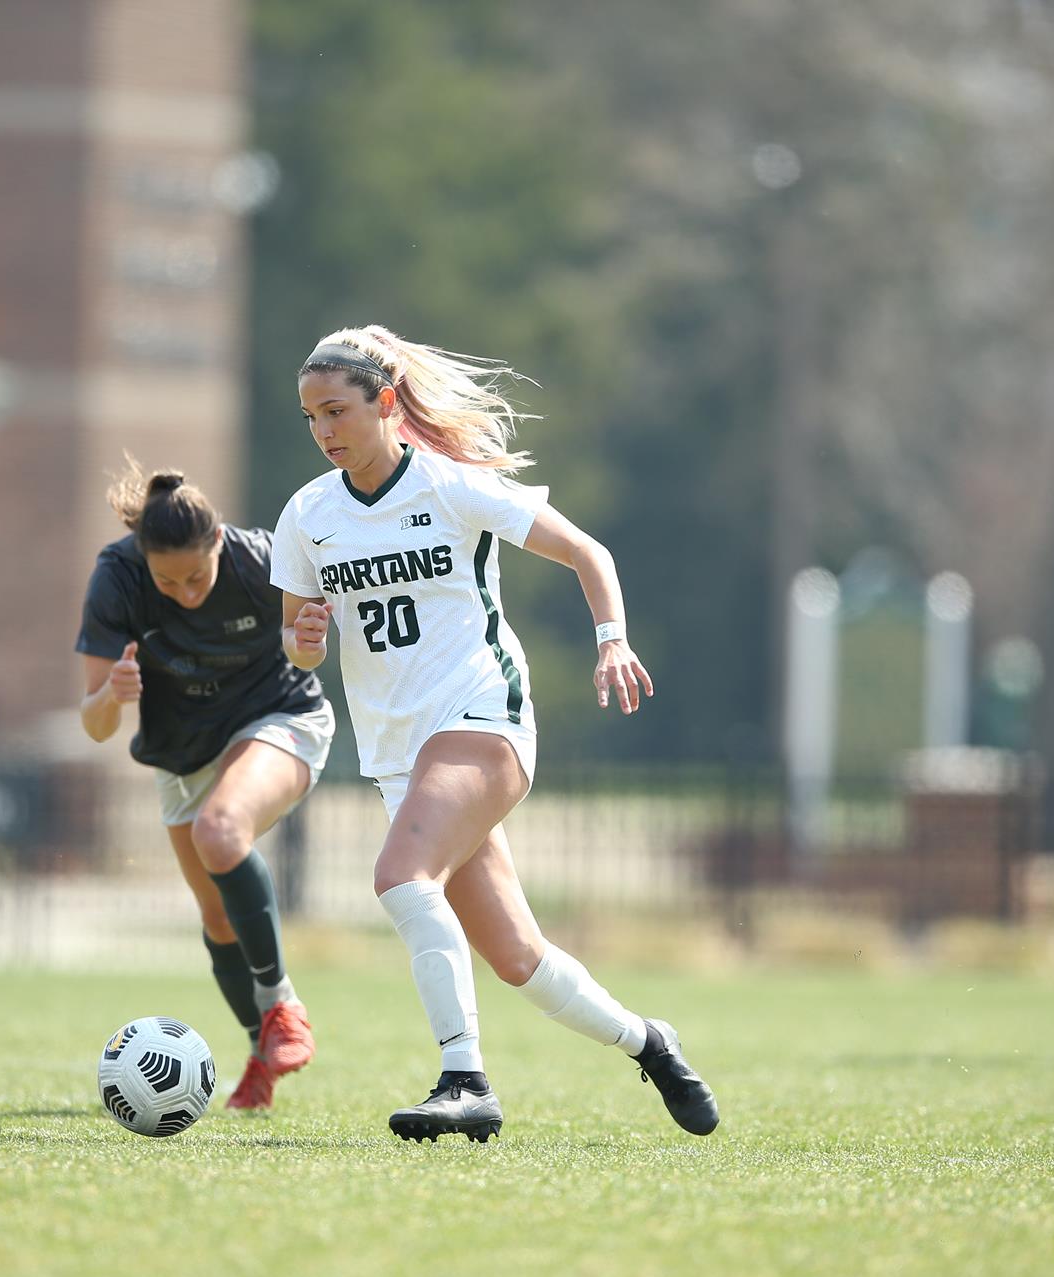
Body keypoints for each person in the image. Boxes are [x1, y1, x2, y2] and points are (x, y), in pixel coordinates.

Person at [271, 325, 719, 1142]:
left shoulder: (449, 486)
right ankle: (651, 1042)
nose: (324, 430)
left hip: (482, 715)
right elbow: (298, 632)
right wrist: (303, 639)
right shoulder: (308, 514)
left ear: (386, 403)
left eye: (337, 409)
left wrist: (610, 638)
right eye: (310, 417)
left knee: (402, 877)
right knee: (519, 959)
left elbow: (588, 551)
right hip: (397, 751)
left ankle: (464, 1078)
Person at [76, 462, 332, 1111]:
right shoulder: (117, 576)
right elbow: (96, 723)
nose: (185, 592)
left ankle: (283, 1006)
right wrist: (113, 693)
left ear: (219, 541)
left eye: (196, 576)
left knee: (222, 831)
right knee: (217, 917)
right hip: (181, 751)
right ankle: (261, 1052)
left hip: (278, 718)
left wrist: (306, 641)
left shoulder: (261, 561)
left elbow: (309, 652)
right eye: (169, 582)